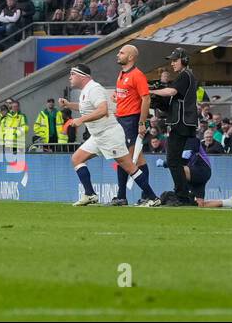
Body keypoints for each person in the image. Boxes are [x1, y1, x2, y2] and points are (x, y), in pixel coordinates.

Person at [59, 64, 160, 207]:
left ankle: (153, 198)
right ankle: (90, 194)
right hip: (97, 135)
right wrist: (69, 105)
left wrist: (81, 120)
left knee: (129, 167)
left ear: (82, 76)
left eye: (72, 74)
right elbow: (85, 107)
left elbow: (102, 110)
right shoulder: (86, 91)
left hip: (109, 134)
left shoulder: (94, 89)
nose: (70, 77)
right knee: (77, 159)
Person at [151, 48, 201, 205]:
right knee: (176, 161)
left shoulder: (185, 75)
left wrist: (152, 90)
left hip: (181, 123)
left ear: (184, 60)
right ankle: (183, 194)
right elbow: (171, 102)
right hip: (182, 122)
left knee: (173, 160)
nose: (172, 63)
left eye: (175, 60)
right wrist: (157, 96)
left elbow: (172, 91)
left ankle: (182, 196)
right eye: (171, 60)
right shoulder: (185, 76)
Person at [111, 44, 152, 205]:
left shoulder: (137, 75)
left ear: (130, 57)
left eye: (121, 52)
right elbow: (126, 94)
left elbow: (146, 98)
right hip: (121, 119)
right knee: (129, 158)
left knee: (128, 158)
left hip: (131, 120)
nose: (117, 55)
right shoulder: (121, 73)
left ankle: (129, 195)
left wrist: (141, 122)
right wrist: (117, 97)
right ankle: (130, 195)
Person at [160, 132, 232, 209]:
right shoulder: (181, 142)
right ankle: (230, 202)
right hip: (196, 173)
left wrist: (165, 163)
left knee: (178, 170)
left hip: (201, 170)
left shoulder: (192, 140)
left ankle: (178, 195)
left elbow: (183, 159)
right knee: (199, 204)